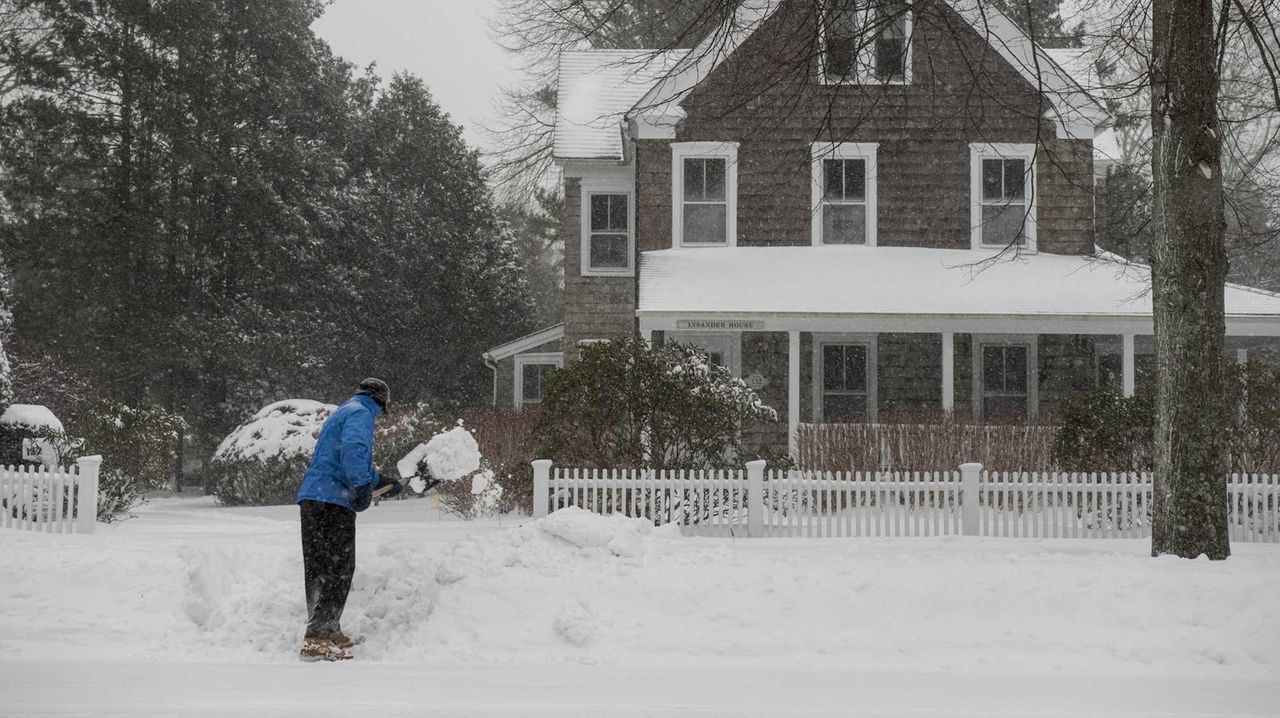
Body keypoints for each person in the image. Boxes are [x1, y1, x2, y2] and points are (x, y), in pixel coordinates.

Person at [295, 378, 403, 662]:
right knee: (340, 567)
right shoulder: (361, 413)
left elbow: (340, 455)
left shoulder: (344, 410)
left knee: (318, 567)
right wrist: (360, 485)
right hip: (334, 500)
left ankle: (327, 630)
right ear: (379, 401)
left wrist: (382, 480)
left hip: (313, 496)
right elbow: (354, 450)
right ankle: (317, 638)